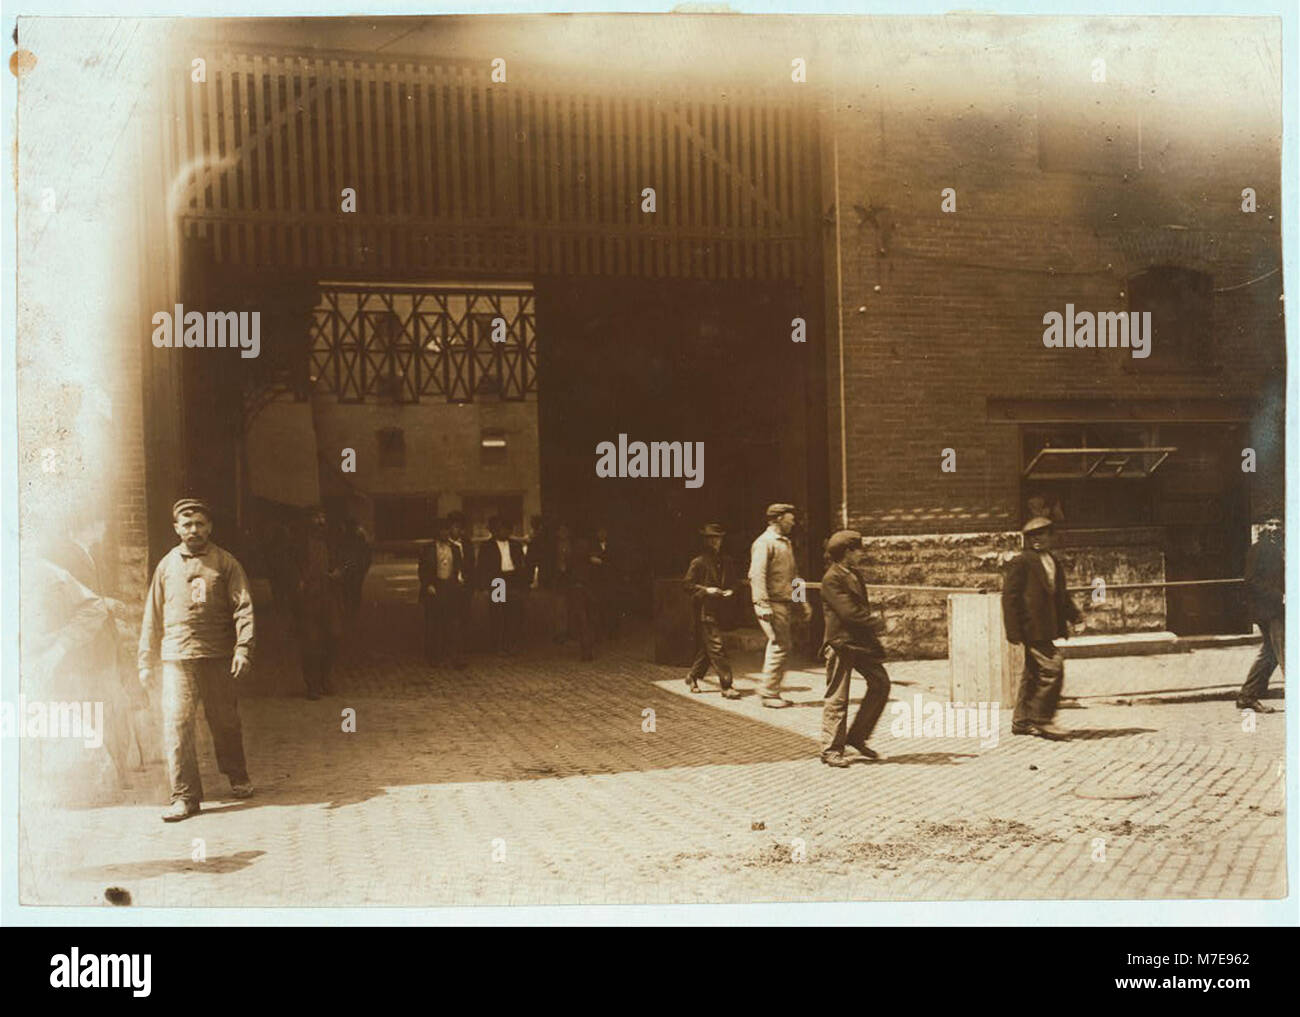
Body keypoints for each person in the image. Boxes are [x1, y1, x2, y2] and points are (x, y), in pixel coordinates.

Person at [137, 497, 255, 822]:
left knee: (225, 722)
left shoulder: (225, 563)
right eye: (187, 524)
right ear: (176, 528)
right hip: (176, 658)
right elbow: (152, 615)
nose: (194, 530)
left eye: (200, 524)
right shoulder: (165, 566)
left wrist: (243, 648)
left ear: (210, 527)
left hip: (216, 656)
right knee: (176, 724)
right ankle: (185, 796)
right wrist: (145, 661)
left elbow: (243, 607)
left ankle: (237, 774)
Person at [1001, 516, 1081, 740]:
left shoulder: (1053, 561)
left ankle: (1022, 721)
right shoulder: (1021, 562)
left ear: (1050, 536)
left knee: (1033, 673)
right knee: (1053, 668)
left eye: (1041, 534)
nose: (1037, 539)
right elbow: (1010, 598)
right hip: (1031, 629)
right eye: (1032, 536)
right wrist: (1013, 630)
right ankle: (1043, 720)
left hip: (1047, 627)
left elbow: (1061, 597)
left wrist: (1075, 617)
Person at [818, 530, 891, 767]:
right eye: (858, 549)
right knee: (838, 696)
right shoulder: (831, 578)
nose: (861, 553)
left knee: (880, 684)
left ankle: (857, 737)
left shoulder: (855, 575)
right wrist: (877, 623)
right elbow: (849, 613)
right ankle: (830, 749)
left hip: (859, 643)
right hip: (841, 643)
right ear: (847, 552)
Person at [750, 503, 807, 708]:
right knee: (779, 645)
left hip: (785, 602)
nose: (793, 522)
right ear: (778, 519)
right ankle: (769, 693)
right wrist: (762, 605)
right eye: (790, 519)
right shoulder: (764, 543)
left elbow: (794, 575)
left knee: (781, 645)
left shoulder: (786, 543)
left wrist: (802, 602)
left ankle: (770, 690)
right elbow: (757, 575)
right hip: (772, 603)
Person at [683, 523, 741, 698]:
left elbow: (734, 583)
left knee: (708, 650)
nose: (716, 542)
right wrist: (707, 590)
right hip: (705, 611)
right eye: (713, 538)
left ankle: (692, 676)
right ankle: (726, 685)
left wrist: (731, 590)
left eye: (719, 538)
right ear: (706, 541)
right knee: (717, 647)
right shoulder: (698, 562)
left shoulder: (727, 561)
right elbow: (687, 585)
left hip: (721, 611)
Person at [295, 506, 345, 699]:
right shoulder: (299, 543)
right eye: (316, 517)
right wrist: (297, 581)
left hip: (330, 595)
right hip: (308, 597)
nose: (320, 521)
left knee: (333, 635)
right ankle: (312, 685)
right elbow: (287, 564)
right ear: (308, 520)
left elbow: (345, 561)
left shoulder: (332, 542)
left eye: (322, 516)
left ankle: (325, 677)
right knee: (310, 641)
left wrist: (340, 571)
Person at [1237, 516, 1284, 713]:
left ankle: (1248, 695)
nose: (1274, 528)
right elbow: (1251, 580)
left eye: (1278, 525)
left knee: (1270, 653)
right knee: (1283, 651)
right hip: (1268, 609)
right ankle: (1249, 695)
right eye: (1270, 524)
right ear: (1263, 527)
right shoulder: (1258, 549)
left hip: (1277, 607)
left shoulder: (1279, 549)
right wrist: (1279, 596)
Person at [419, 516, 469, 669]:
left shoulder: (454, 548)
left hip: (451, 587)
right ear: (436, 532)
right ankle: (435, 656)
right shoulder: (428, 549)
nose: (444, 533)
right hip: (435, 587)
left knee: (452, 623)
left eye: (447, 530)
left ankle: (453, 656)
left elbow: (459, 567)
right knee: (435, 623)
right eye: (441, 530)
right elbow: (423, 569)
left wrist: (460, 578)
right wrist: (428, 584)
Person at [477, 516, 527, 653]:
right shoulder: (487, 546)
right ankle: (498, 645)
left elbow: (522, 564)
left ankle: (512, 644)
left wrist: (522, 583)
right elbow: (482, 567)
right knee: (498, 614)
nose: (503, 532)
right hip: (497, 580)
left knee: (514, 612)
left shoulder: (516, 545)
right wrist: (485, 585)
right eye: (499, 529)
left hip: (512, 580)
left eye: (506, 530)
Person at [338, 516, 373, 618]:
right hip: (356, 569)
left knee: (348, 589)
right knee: (355, 589)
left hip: (349, 568)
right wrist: (364, 567)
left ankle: (350, 609)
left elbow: (341, 555)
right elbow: (367, 554)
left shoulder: (344, 538)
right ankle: (353, 609)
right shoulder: (359, 538)